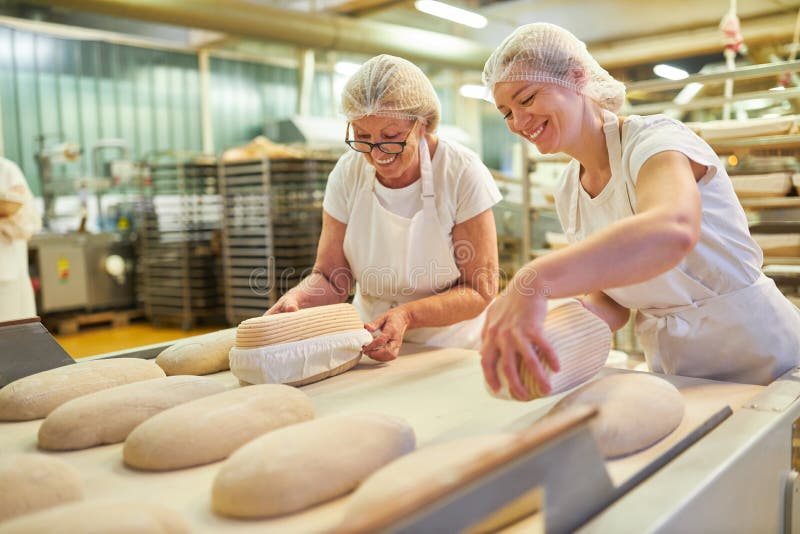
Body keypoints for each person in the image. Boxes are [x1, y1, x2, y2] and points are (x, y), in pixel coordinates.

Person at [479, 23, 800, 399]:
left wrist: (532, 281)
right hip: (677, 367)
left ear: (576, 77)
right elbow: (612, 298)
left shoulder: (656, 141)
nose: (518, 122)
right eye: (506, 113)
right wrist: (555, 340)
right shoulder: (569, 189)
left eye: (528, 98)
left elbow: (671, 231)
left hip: (763, 356)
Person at [266, 54, 502, 362]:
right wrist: (298, 298)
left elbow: (479, 289)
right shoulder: (347, 173)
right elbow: (331, 277)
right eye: (363, 137)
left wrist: (407, 315)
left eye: (390, 137)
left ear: (422, 124)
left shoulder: (460, 172)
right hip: (370, 339)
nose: (377, 153)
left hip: (450, 348)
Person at [0, 157, 41, 322]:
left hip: (6, 276)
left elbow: (27, 223)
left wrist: (6, 217)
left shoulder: (7, 171)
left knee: (10, 333)